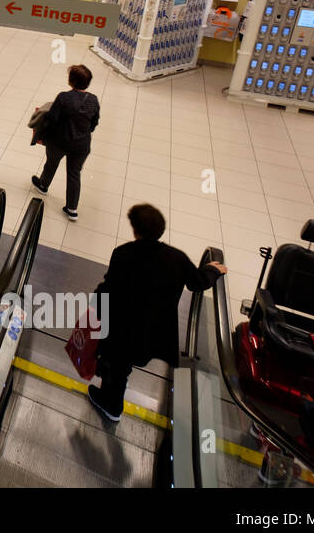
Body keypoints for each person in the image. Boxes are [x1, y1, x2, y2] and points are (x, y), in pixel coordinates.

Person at [89, 204, 227, 422]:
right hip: (156, 331)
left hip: (123, 329)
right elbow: (198, 282)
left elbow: (109, 289)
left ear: (136, 230)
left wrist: (94, 304)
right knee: (130, 358)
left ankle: (111, 405)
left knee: (117, 367)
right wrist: (211, 270)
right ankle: (111, 399)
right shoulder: (176, 258)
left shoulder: (123, 254)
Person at [30, 63, 99, 221]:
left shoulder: (64, 97)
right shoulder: (93, 100)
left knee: (52, 162)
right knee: (74, 173)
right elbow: (94, 123)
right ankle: (72, 209)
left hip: (60, 140)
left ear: (71, 81)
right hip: (82, 145)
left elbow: (53, 119)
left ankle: (43, 185)